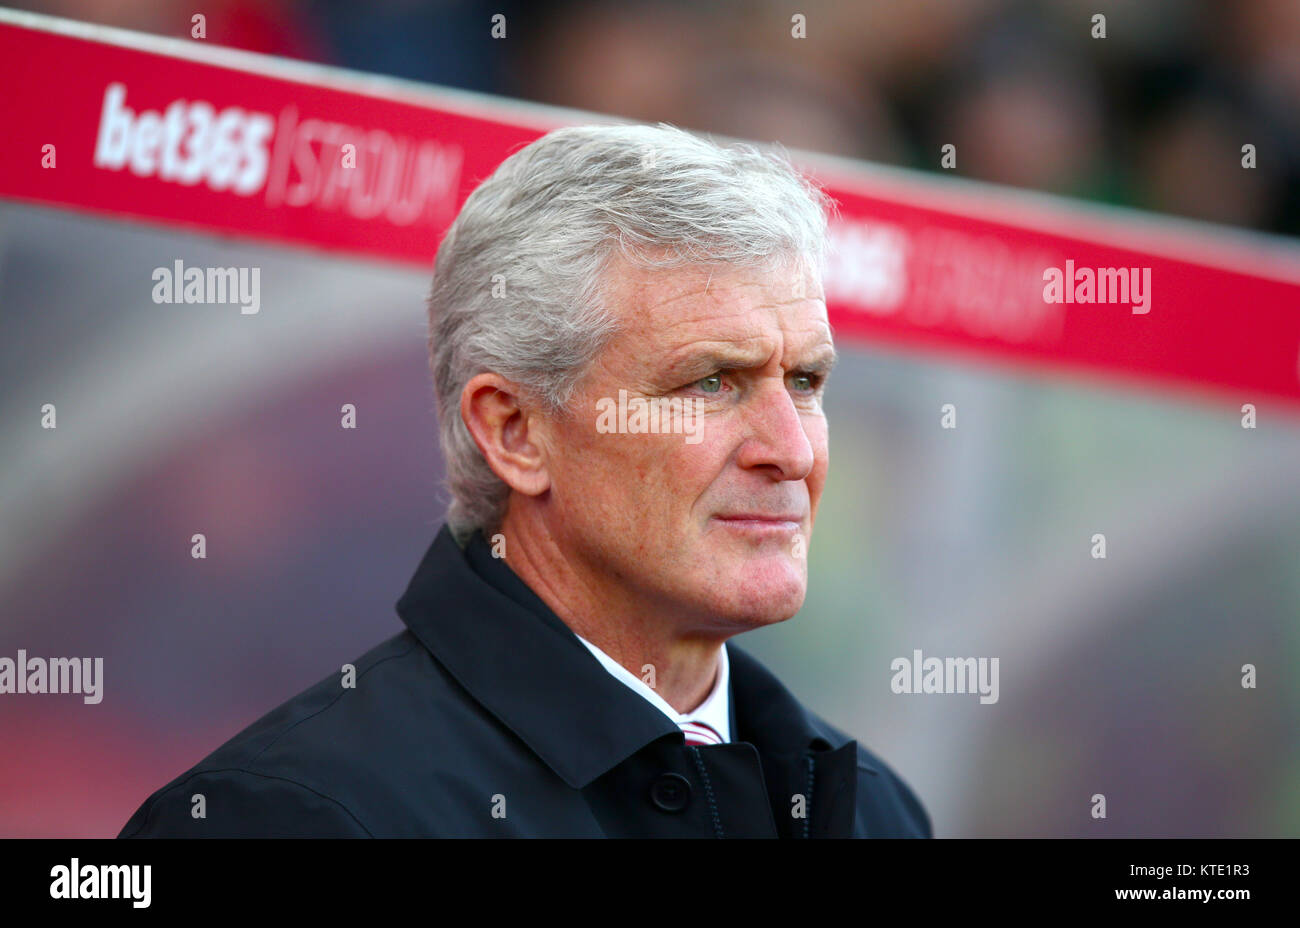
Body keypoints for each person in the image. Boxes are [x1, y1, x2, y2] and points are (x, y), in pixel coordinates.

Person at [119, 123, 931, 838]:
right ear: (514, 432)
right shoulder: (287, 817)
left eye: (805, 382)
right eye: (710, 383)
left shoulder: (872, 810)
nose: (790, 451)